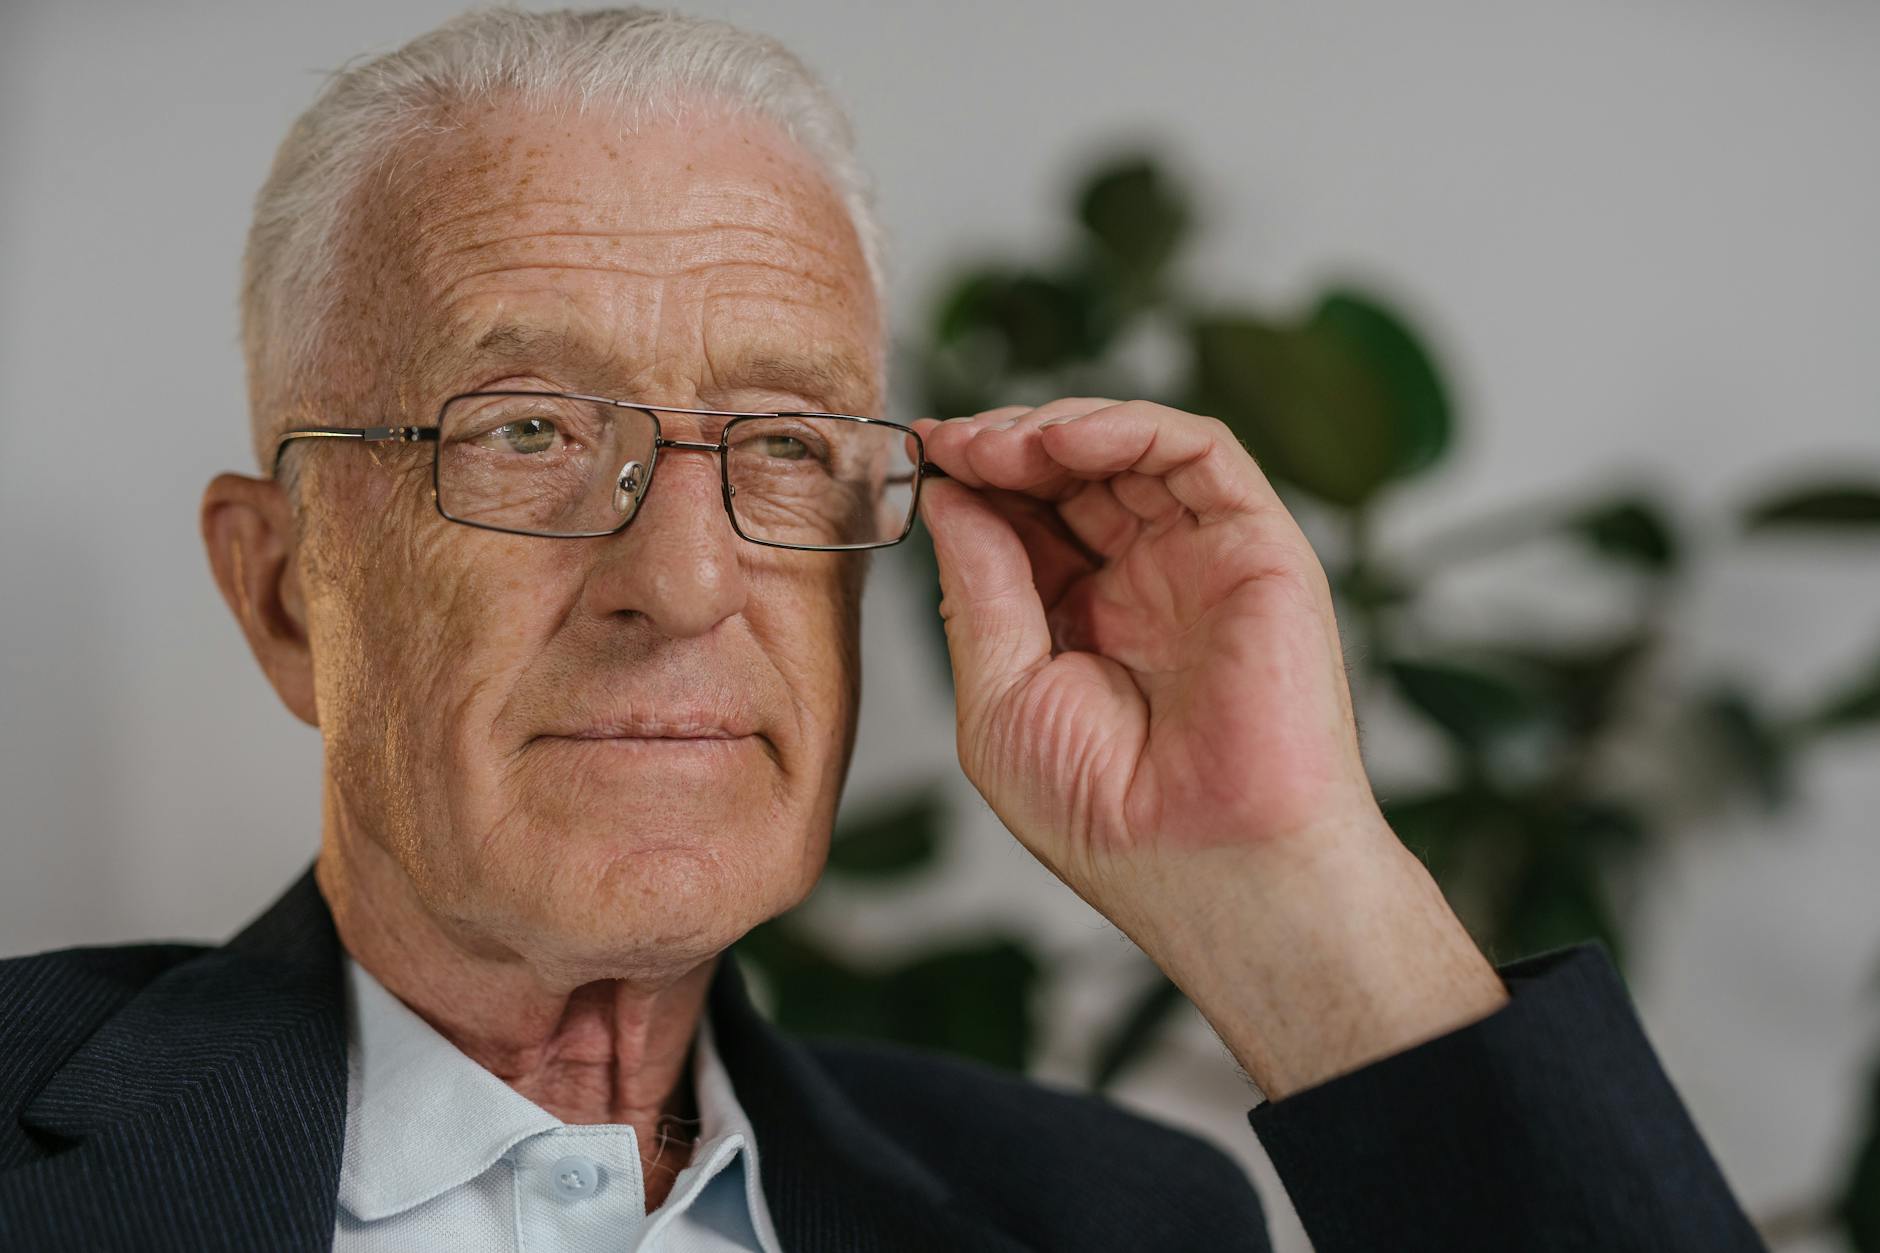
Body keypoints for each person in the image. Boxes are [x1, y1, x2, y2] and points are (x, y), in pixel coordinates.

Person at [0, 8, 1765, 1251]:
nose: (682, 581)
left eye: (781, 440)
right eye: (527, 430)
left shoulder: (1116, 1223)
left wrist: (1290, 879)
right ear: (287, 590)